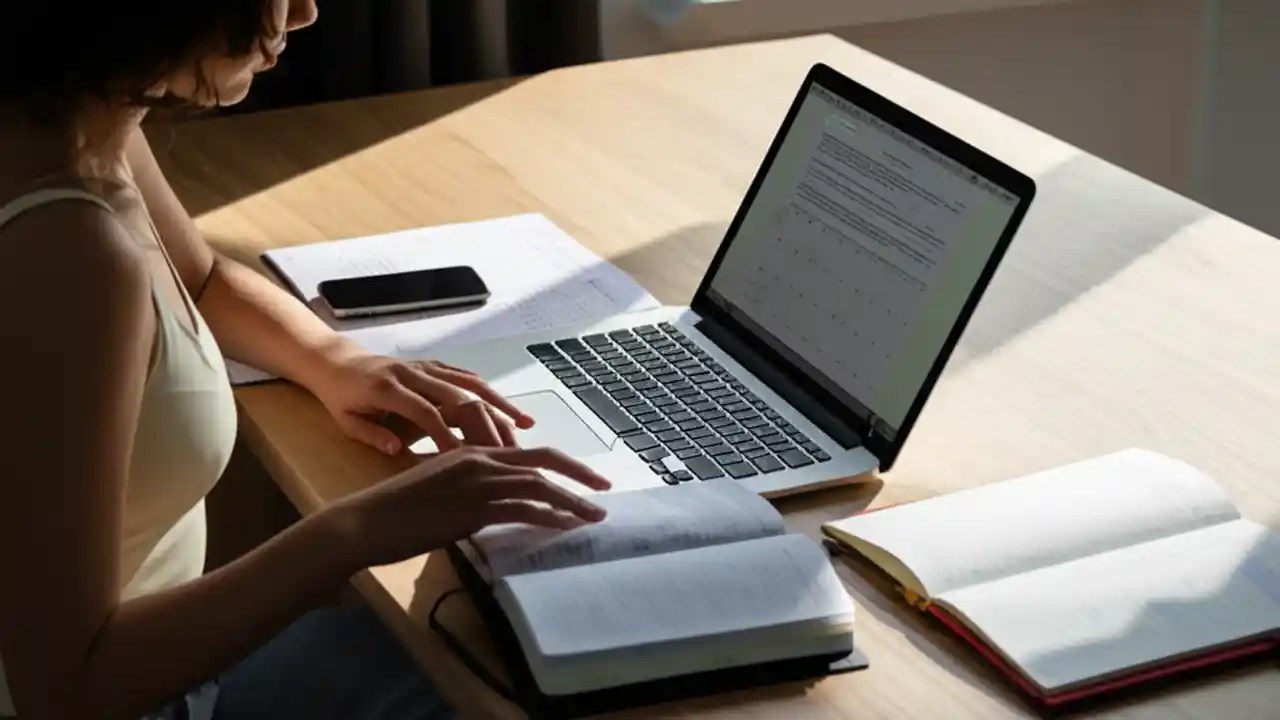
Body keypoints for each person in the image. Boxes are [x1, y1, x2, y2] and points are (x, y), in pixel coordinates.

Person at [0, 2, 612, 718]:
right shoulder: (70, 255)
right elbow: (66, 687)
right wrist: (357, 529)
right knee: (508, 677)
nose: (304, 11)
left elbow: (200, 277)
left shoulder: (81, 125)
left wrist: (332, 358)